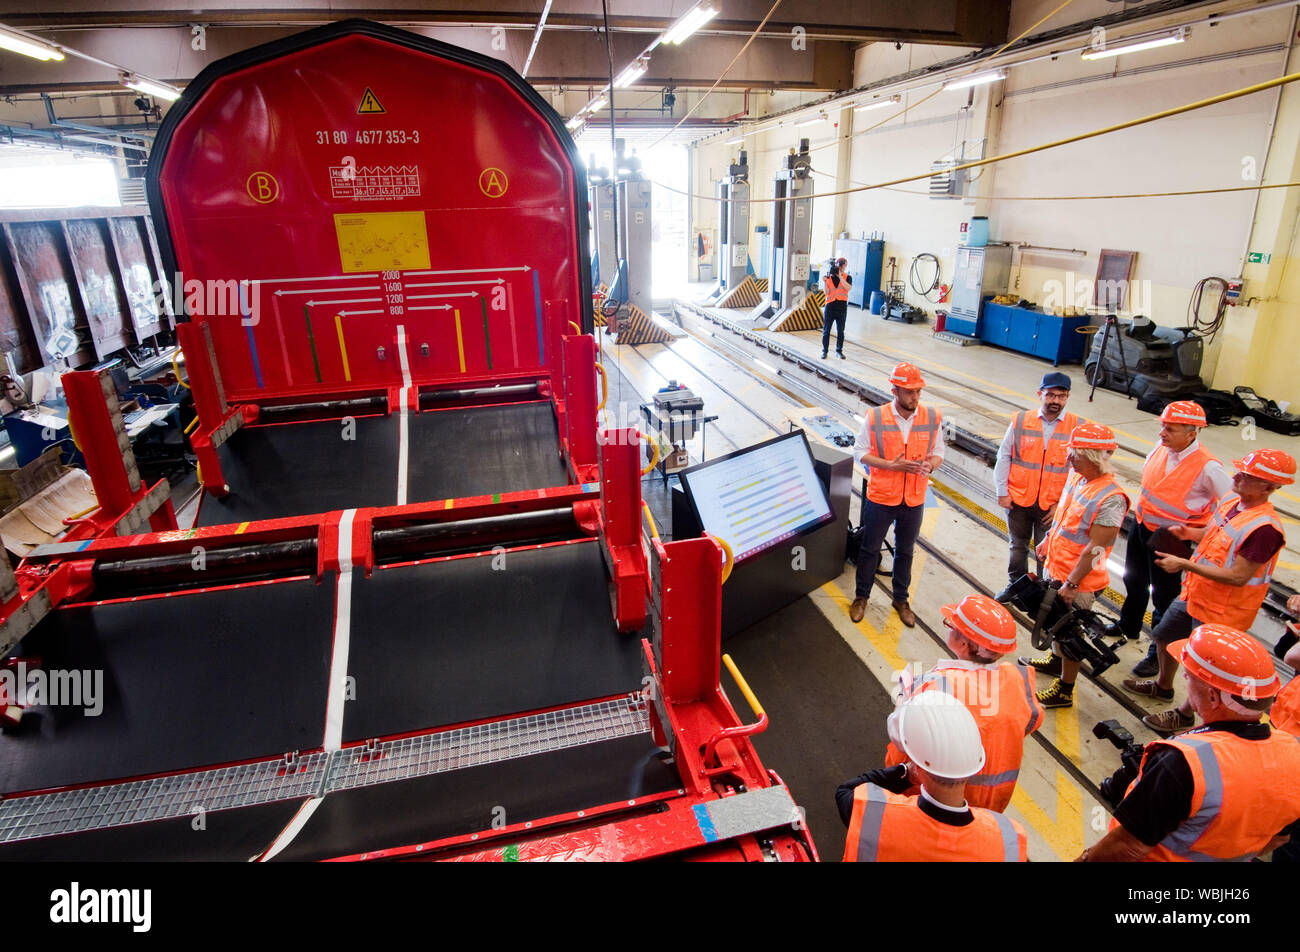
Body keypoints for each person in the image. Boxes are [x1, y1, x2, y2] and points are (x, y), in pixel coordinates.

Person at [1079, 624, 1300, 862]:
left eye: (1190, 676)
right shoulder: (1293, 751)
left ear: (1213, 697)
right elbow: (1279, 839)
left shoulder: (1183, 763)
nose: (1185, 677)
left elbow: (1127, 847)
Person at [1125, 448, 1293, 735]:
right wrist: (1190, 534)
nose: (1236, 476)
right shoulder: (1232, 501)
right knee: (1164, 635)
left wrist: (1184, 564)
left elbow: (1238, 576)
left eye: (1246, 475)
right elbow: (1218, 531)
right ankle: (1164, 687)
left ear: (1268, 486)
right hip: (1195, 595)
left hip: (1223, 611)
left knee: (1205, 669)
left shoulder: (1265, 530)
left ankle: (1185, 714)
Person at [882, 594, 1043, 811]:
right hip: (990, 804)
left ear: (965, 643)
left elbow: (899, 734)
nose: (948, 627)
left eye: (951, 625)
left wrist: (904, 694)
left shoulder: (938, 684)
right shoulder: (1017, 679)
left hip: (934, 798)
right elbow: (1030, 721)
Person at [1113, 401, 1231, 678]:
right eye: (1163, 427)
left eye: (1171, 429)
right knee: (1134, 580)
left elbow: (1229, 508)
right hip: (1142, 527)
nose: (1162, 433)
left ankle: (1157, 654)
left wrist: (1200, 534)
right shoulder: (1161, 449)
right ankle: (1128, 626)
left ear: (1192, 433)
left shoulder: (1209, 468)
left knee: (1164, 597)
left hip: (1171, 539)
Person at [839, 692, 1028, 861]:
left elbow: (845, 791)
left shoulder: (872, 813)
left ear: (918, 767)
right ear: (974, 767)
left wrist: (904, 772)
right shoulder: (1010, 838)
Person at [1019, 423, 1131, 709]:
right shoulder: (1077, 477)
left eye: (1076, 455)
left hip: (1078, 582)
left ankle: (1064, 690)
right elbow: (1066, 518)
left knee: (1070, 636)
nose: (1069, 459)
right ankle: (1056, 662)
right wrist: (1048, 542)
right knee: (1055, 626)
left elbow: (1096, 549)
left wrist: (1072, 584)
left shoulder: (1111, 499)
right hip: (1057, 568)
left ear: (1095, 458)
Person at [849, 362, 944, 628]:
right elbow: (859, 451)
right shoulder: (876, 417)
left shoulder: (932, 417)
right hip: (882, 497)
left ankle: (901, 600)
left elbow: (939, 451)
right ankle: (861, 597)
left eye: (918, 391)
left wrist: (931, 464)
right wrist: (890, 465)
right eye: (909, 391)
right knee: (869, 549)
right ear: (895, 390)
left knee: (905, 550)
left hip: (913, 498)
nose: (915, 397)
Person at [994, 372, 1079, 591]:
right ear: (1040, 394)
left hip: (1051, 506)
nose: (1056, 401)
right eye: (1050, 395)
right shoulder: (1021, 421)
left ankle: (1043, 594)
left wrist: (1061, 505)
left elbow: (1077, 473)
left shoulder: (1076, 428)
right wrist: (1002, 491)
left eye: (1062, 396)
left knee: (1048, 551)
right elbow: (1004, 456)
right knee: (1018, 547)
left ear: (1068, 397)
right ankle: (1017, 587)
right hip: (1018, 500)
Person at [821, 257, 851, 359]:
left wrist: (841, 277)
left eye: (843, 265)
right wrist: (825, 282)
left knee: (840, 331)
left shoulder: (847, 277)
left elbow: (848, 288)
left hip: (841, 307)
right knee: (826, 330)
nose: (842, 267)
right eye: (840, 265)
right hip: (830, 307)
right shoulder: (829, 278)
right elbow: (826, 293)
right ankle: (824, 351)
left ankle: (839, 351)